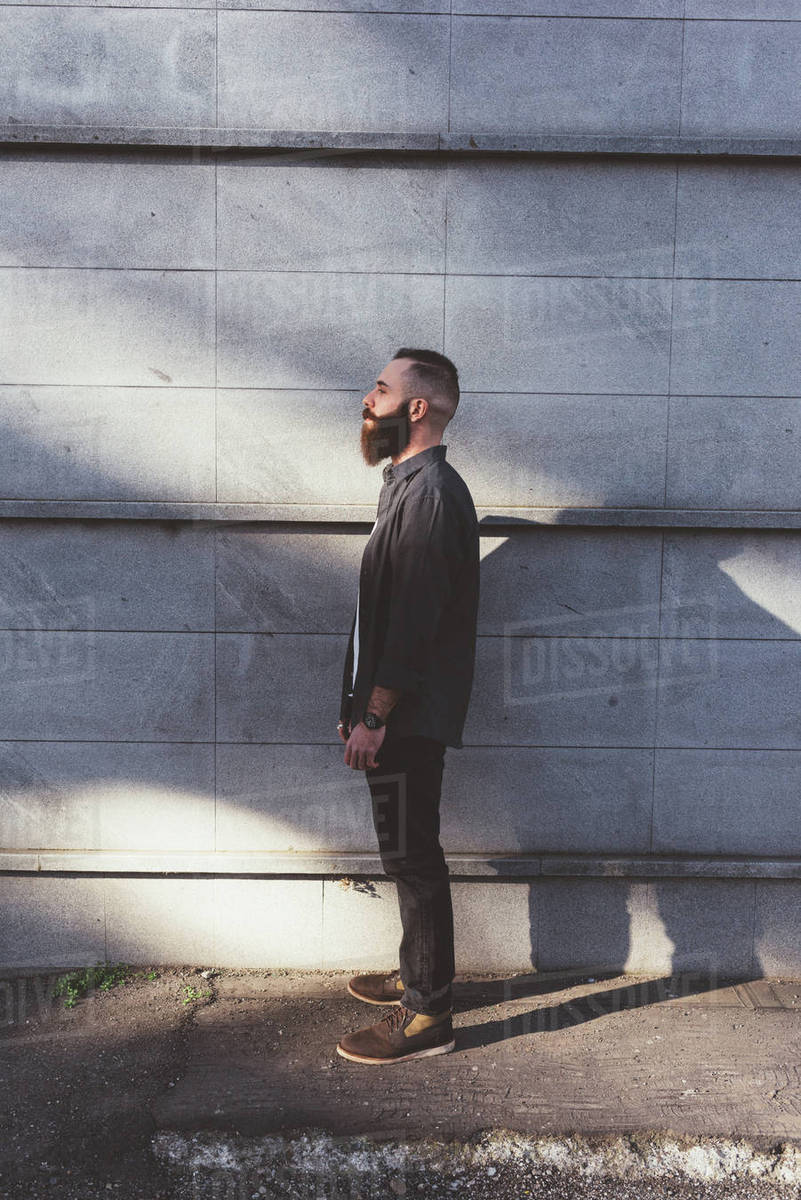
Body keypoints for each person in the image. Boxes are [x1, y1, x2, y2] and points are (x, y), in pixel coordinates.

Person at [334, 348, 480, 1065]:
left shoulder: (428, 493)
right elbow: (380, 618)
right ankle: (421, 975)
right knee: (407, 855)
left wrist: (375, 714)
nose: (368, 398)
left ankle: (427, 1018)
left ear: (416, 408)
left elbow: (414, 624)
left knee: (412, 859)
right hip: (394, 712)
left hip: (406, 719)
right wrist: (355, 703)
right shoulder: (406, 487)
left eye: (382, 389)